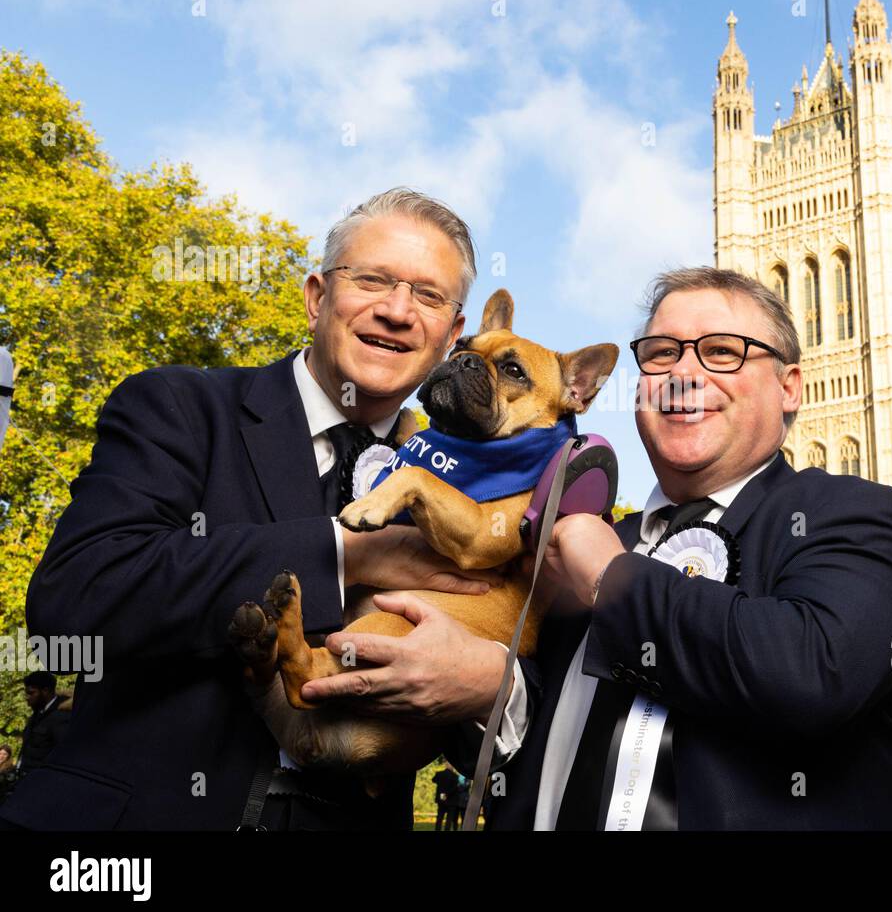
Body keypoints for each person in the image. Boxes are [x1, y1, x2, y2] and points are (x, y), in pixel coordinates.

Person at [0, 188, 525, 831]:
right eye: (373, 280)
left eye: (428, 296)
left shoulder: (470, 495)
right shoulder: (178, 407)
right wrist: (346, 554)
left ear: (454, 334)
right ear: (316, 297)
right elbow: (73, 599)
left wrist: (487, 690)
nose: (396, 311)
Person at [478, 266, 892, 829]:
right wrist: (485, 687)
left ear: (789, 387)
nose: (683, 373)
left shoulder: (855, 516)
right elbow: (542, 733)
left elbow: (814, 674)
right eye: (662, 353)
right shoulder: (587, 539)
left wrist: (612, 581)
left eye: (721, 351)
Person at [14, 672, 71, 773]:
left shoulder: (62, 716)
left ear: (45, 691)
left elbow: (64, 756)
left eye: (31, 693)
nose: (27, 697)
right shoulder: (35, 716)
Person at [432, 765, 459, 831]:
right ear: (452, 767)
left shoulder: (439, 774)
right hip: (451, 800)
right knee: (449, 819)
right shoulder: (455, 776)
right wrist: (447, 794)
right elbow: (455, 788)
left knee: (440, 817)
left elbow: (433, 780)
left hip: (441, 799)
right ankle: (447, 829)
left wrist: (443, 793)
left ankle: (437, 829)